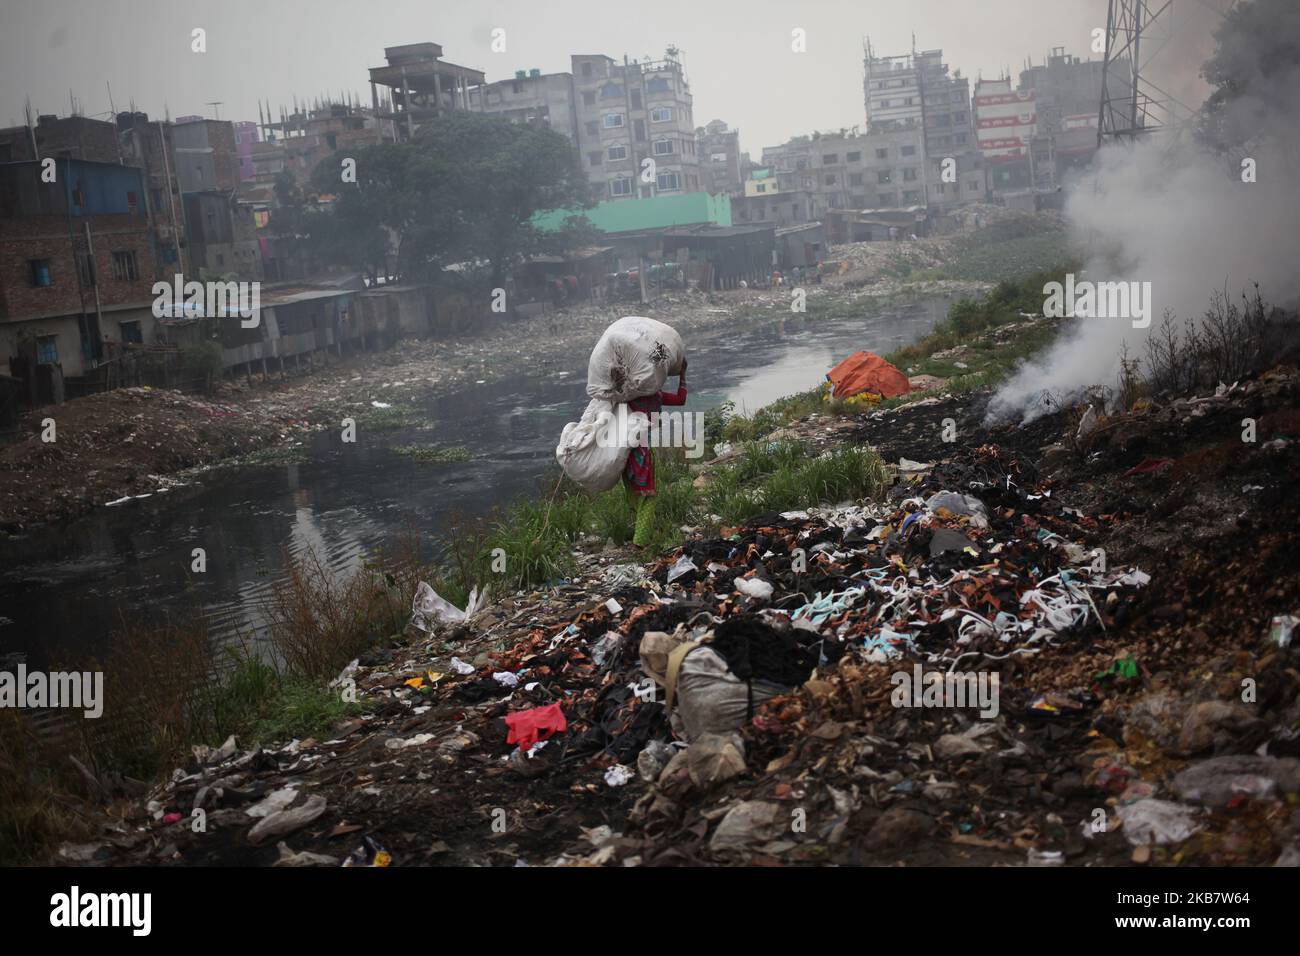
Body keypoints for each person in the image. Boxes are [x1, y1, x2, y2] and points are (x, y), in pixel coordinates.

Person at [623, 359, 688, 549]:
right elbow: (681, 399)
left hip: (625, 454)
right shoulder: (656, 397)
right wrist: (682, 375)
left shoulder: (627, 397)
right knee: (648, 496)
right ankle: (640, 542)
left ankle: (643, 533)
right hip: (641, 454)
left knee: (635, 495)